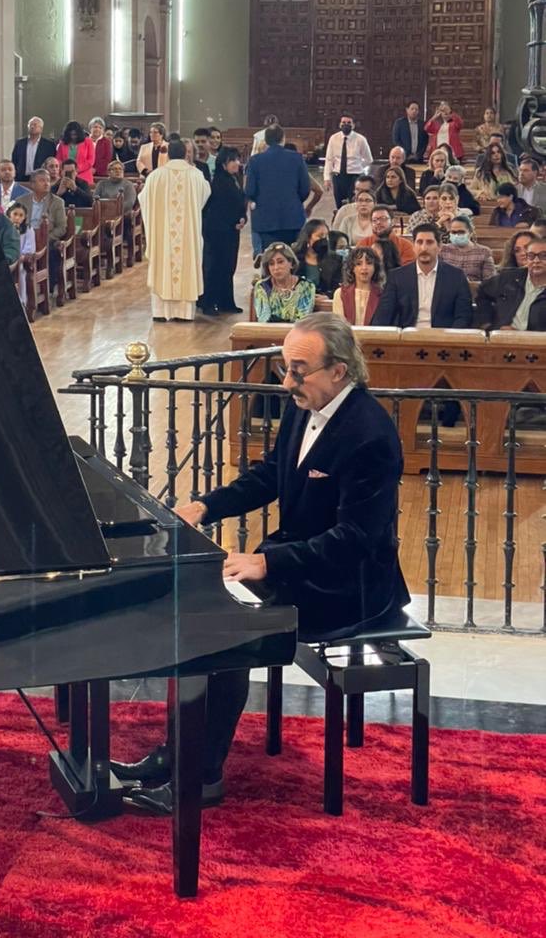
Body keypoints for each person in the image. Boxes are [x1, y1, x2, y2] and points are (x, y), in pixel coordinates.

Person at [120, 314, 408, 816]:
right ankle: (176, 752)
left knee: (228, 631)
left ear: (339, 371)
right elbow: (272, 474)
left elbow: (356, 540)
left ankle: (201, 776)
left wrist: (266, 562)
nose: (288, 381)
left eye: (299, 370)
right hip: (304, 562)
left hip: (350, 585)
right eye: (285, 368)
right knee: (198, 605)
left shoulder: (371, 436)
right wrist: (205, 506)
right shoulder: (304, 404)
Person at [138, 139, 210, 321]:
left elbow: (143, 199)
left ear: (168, 154)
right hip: (187, 234)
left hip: (162, 236)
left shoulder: (155, 176)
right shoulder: (196, 175)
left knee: (162, 264)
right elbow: (204, 196)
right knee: (186, 264)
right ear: (185, 153)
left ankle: (161, 313)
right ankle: (184, 314)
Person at [372, 222, 472, 328]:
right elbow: (383, 316)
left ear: (439, 247)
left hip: (443, 339)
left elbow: (463, 316)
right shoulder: (397, 277)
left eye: (429, 242)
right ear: (413, 246)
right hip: (406, 340)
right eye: (419, 242)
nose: (424, 248)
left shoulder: (456, 277)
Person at [244, 125, 311, 252]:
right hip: (292, 218)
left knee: (269, 259)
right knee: (293, 259)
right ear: (283, 139)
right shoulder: (296, 158)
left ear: (266, 140)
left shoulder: (255, 161)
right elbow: (305, 189)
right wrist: (293, 201)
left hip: (265, 220)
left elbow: (250, 190)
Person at [200, 146, 246, 315]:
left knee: (228, 266)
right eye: (232, 160)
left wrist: (242, 219)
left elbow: (240, 203)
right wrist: (233, 222)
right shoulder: (218, 182)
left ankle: (226, 301)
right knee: (215, 267)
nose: (236, 163)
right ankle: (209, 303)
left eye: (237, 160)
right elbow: (219, 209)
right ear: (223, 164)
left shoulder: (234, 179)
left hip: (231, 230)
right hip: (218, 231)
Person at [475, 238, 546, 331]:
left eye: (543, 256)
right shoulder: (508, 278)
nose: (536, 261)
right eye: (531, 256)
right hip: (502, 338)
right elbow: (482, 292)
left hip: (538, 342)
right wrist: (487, 324)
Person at [14, 169, 67, 285]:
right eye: (42, 180)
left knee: (52, 252)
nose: (46, 183)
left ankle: (50, 288)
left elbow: (62, 227)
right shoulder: (21, 201)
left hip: (47, 239)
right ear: (32, 184)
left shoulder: (57, 202)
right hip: (24, 239)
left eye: (48, 181)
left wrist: (45, 238)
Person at [253, 243, 316, 323]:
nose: (276, 268)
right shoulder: (262, 286)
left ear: (291, 263)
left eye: (280, 262)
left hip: (297, 333)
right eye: (271, 264)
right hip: (268, 333)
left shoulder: (307, 286)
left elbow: (302, 319)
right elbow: (264, 319)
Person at [323, 114, 373, 209]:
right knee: (339, 205)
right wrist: (326, 178)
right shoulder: (333, 138)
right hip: (338, 176)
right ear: (339, 124)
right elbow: (329, 159)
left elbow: (368, 159)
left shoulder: (360, 139)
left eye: (349, 123)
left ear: (353, 125)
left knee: (353, 204)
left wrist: (358, 166)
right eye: (343, 122)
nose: (346, 125)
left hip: (355, 176)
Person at [332, 246, 384, 326]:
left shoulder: (383, 294)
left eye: (369, 263)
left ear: (375, 267)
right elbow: (339, 328)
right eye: (358, 264)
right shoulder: (340, 294)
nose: (364, 268)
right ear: (352, 267)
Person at [439, 215, 495, 283]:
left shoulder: (484, 252)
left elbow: (490, 282)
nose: (457, 235)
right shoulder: (443, 250)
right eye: (453, 232)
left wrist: (472, 284)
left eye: (461, 232)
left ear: (470, 232)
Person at [11, 116, 57, 181]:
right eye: (30, 125)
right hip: (21, 178)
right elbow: (14, 160)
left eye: (35, 125)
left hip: (41, 178)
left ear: (41, 129)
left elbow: (51, 161)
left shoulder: (49, 145)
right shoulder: (20, 143)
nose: (32, 127)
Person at [7, 201, 35, 306]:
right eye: (15, 214)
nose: (17, 218)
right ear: (9, 214)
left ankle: (21, 301)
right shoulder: (5, 229)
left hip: (22, 260)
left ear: (24, 217)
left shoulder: (28, 229)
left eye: (21, 215)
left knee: (20, 269)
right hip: (8, 259)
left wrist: (19, 257)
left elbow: (29, 248)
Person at [292, 219, 330, 291]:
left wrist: (328, 296)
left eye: (326, 236)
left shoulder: (334, 259)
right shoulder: (294, 258)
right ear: (308, 237)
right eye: (320, 236)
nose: (324, 240)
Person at [55, 120, 96, 185]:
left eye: (75, 135)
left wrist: (75, 170)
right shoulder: (62, 144)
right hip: (65, 176)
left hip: (84, 176)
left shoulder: (88, 142)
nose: (73, 137)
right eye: (71, 134)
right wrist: (64, 170)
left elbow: (90, 161)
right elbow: (58, 159)